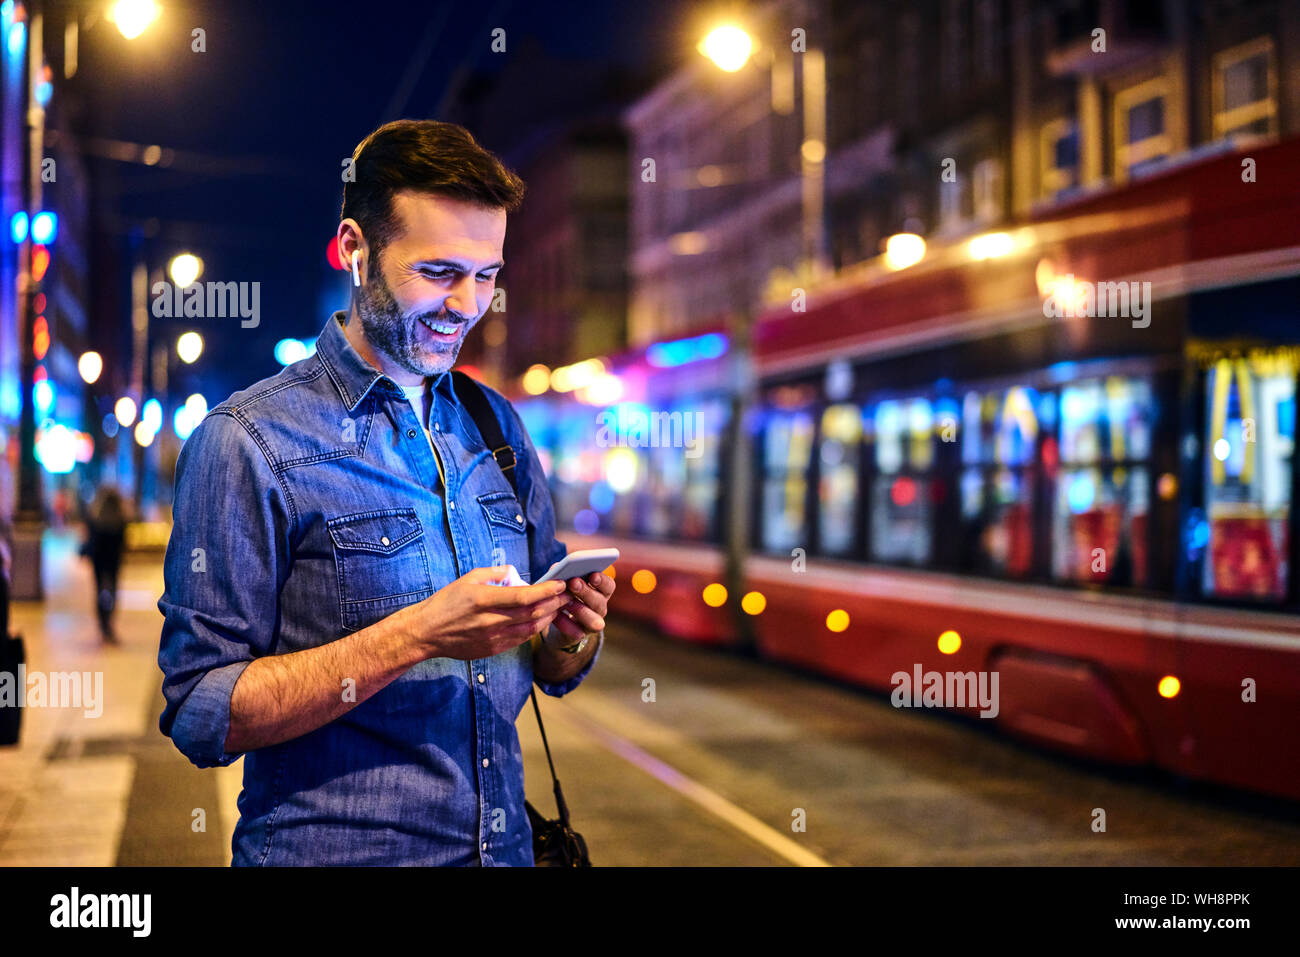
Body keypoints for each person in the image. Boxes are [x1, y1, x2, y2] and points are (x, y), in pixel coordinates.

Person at [157, 120, 614, 866]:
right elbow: (203, 709)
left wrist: (569, 632)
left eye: (488, 274)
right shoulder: (248, 440)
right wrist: (422, 633)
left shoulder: (495, 427)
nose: (468, 304)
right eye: (439, 272)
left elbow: (548, 668)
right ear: (353, 247)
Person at [83, 485, 127, 643]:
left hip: (99, 562)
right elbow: (123, 543)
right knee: (112, 591)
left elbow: (90, 540)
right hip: (113, 562)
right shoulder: (120, 519)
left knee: (99, 590)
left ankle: (103, 623)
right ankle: (108, 623)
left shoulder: (95, 518)